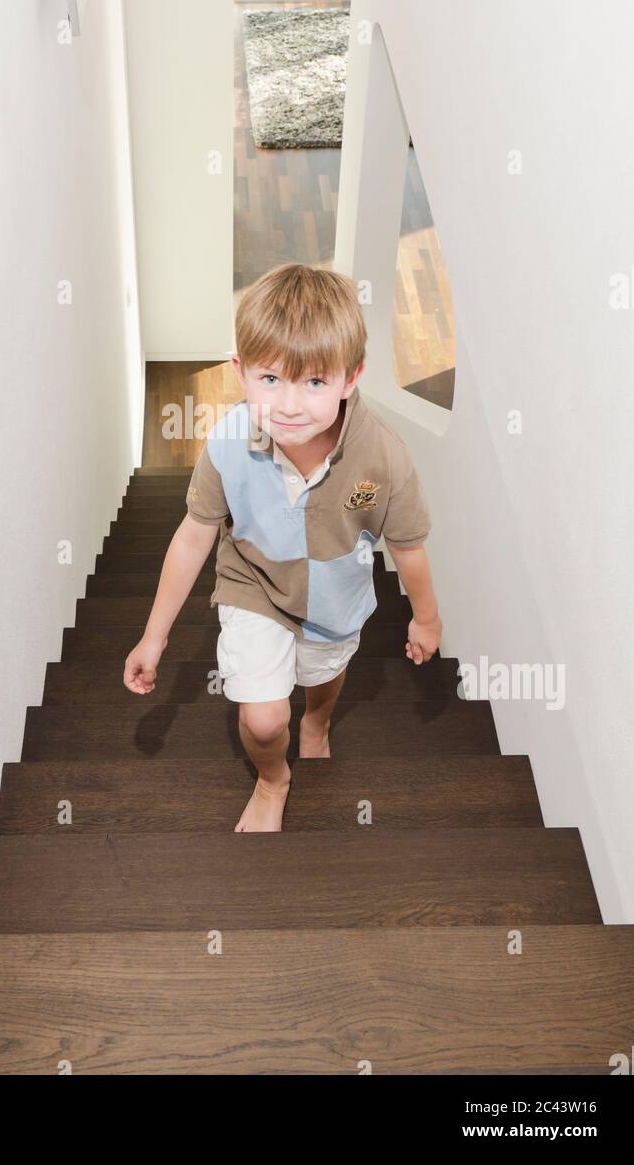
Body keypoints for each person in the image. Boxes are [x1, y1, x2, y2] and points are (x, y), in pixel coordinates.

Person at [123, 262, 442, 832]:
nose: (291, 405)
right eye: (271, 380)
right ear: (240, 372)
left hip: (334, 600)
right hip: (254, 587)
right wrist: (155, 634)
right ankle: (273, 780)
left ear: (351, 378)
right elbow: (194, 534)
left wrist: (427, 618)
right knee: (266, 720)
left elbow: (408, 544)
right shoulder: (227, 442)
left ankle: (318, 725)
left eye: (315, 382)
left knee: (322, 678)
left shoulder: (384, 457)